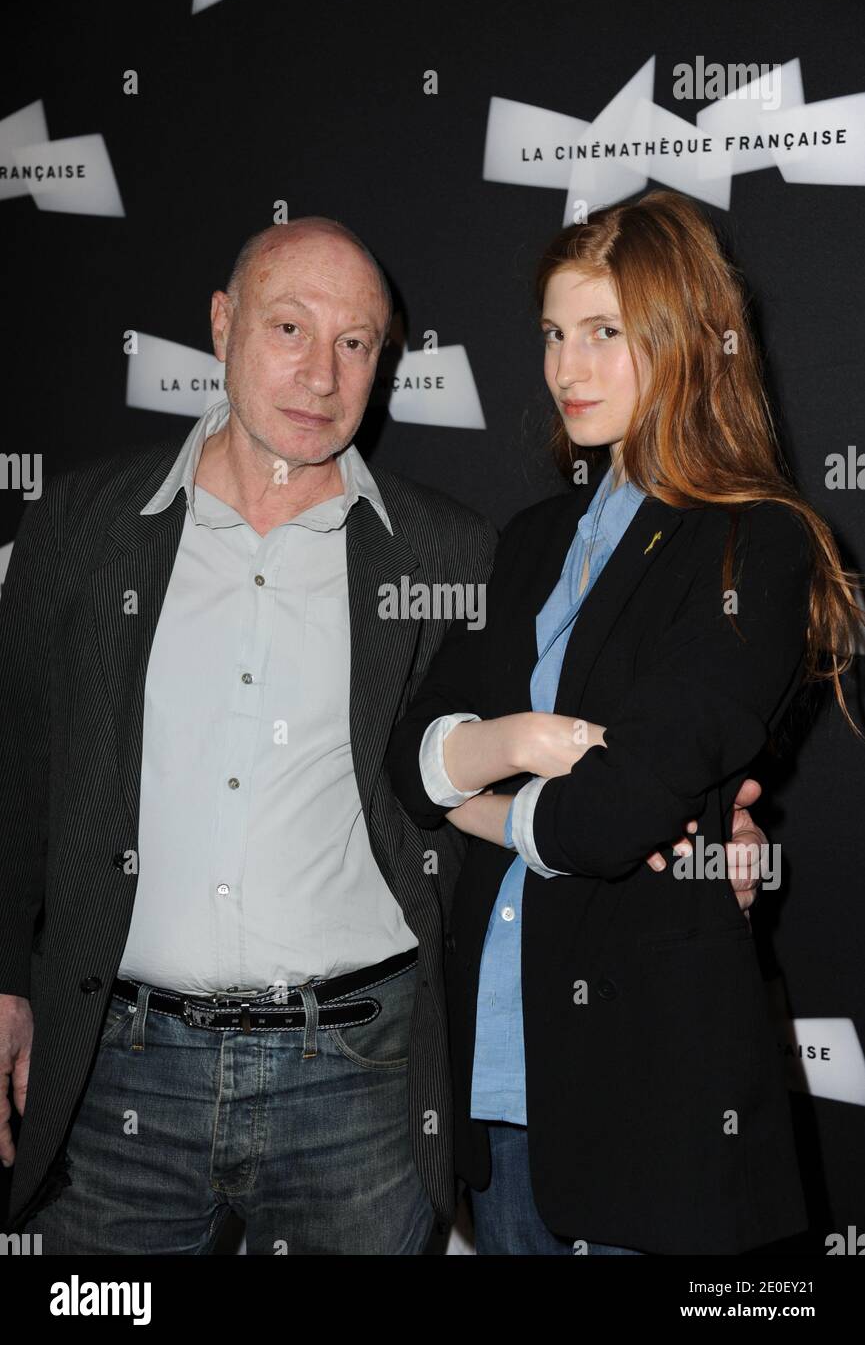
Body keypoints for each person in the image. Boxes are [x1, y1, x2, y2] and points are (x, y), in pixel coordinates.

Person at [0, 212, 770, 1255]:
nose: (320, 373)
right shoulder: (81, 525)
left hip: (360, 1085)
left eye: (355, 343)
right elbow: (19, 769)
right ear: (222, 325)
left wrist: (692, 830)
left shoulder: (449, 548)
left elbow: (515, 772)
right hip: (117, 1071)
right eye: (288, 328)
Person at [384, 189, 864, 1255]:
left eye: (604, 334)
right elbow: (408, 757)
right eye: (554, 335)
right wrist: (515, 745)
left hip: (655, 1103)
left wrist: (480, 806)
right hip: (502, 1097)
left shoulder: (756, 543)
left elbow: (608, 813)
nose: (566, 370)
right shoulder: (530, 540)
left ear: (687, 342)